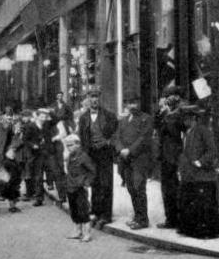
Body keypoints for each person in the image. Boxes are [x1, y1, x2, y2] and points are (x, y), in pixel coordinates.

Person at [177, 105, 219, 239]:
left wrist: (201, 162)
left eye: (187, 118)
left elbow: (212, 150)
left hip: (203, 174)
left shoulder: (203, 131)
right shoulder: (187, 132)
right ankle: (190, 229)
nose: (185, 121)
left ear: (193, 118)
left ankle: (207, 231)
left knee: (204, 204)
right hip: (189, 174)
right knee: (189, 202)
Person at [77, 86, 118, 228]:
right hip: (91, 154)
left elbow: (116, 134)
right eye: (91, 97)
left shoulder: (109, 115)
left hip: (105, 154)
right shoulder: (83, 118)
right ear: (87, 99)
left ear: (100, 99)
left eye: (96, 97)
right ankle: (95, 212)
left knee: (106, 183)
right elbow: (82, 138)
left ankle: (106, 215)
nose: (94, 100)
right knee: (94, 183)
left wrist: (108, 142)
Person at [114, 95, 152, 230]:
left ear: (139, 103)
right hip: (126, 160)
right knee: (130, 188)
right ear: (125, 105)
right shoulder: (123, 120)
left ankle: (143, 219)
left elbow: (143, 138)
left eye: (134, 102)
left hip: (139, 159)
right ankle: (137, 216)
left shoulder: (146, 118)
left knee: (139, 188)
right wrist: (121, 149)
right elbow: (117, 137)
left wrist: (130, 150)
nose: (132, 106)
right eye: (129, 103)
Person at [154, 85, 184, 230]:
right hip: (165, 155)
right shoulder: (167, 112)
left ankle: (178, 219)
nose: (166, 100)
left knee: (175, 189)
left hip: (175, 156)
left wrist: (167, 115)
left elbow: (174, 130)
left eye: (168, 97)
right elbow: (156, 126)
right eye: (165, 97)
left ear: (176, 97)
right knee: (166, 189)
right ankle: (170, 218)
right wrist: (161, 112)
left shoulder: (180, 111)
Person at [63, 134, 95, 242]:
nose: (68, 148)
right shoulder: (70, 156)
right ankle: (78, 231)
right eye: (67, 146)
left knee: (83, 210)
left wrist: (86, 183)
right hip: (70, 186)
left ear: (77, 144)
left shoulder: (83, 156)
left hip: (80, 187)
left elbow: (92, 171)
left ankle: (87, 233)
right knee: (74, 210)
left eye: (70, 145)